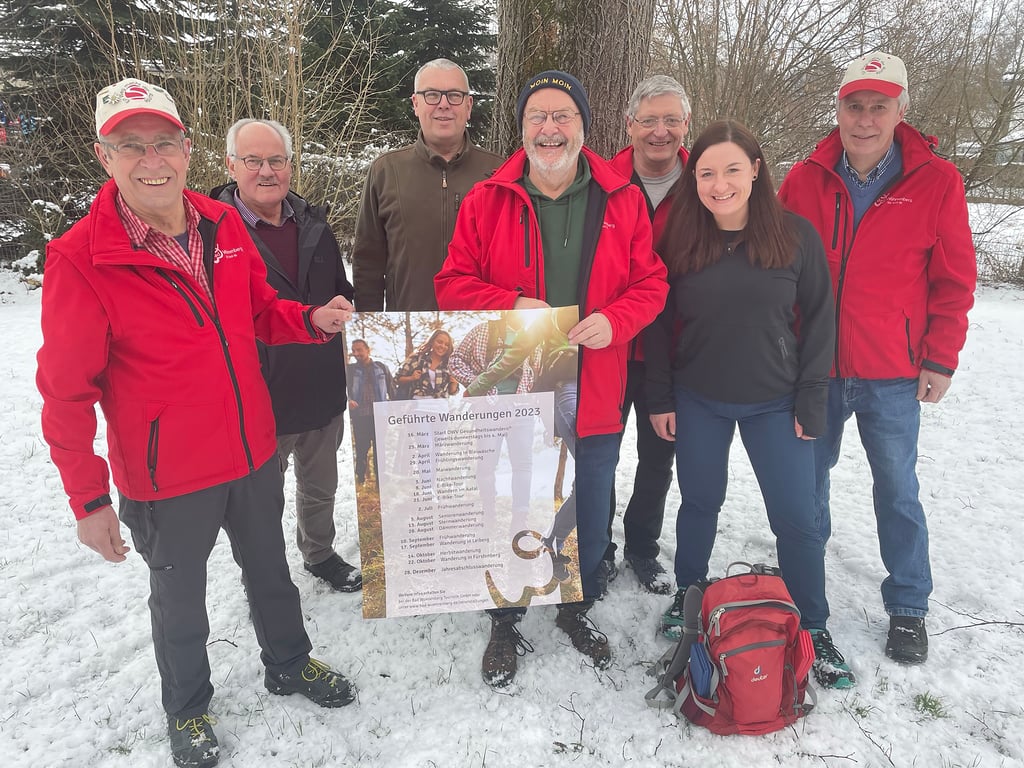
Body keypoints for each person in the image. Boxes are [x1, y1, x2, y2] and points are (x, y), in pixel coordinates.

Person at [36, 78, 358, 768]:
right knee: (179, 599)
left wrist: (310, 320)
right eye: (131, 146)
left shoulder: (222, 222)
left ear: (186, 149)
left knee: (270, 571)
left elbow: (262, 310)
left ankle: (289, 662)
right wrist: (88, 500)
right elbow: (65, 394)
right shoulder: (80, 258)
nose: (151, 159)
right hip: (166, 473)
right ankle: (187, 708)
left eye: (163, 143)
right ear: (105, 156)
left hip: (250, 451)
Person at [435, 70, 668, 687]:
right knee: (512, 499)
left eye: (563, 114)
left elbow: (652, 284)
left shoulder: (621, 198)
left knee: (588, 506)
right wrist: (512, 302)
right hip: (513, 396)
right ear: (522, 128)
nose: (549, 127)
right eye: (537, 115)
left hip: (592, 390)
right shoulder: (488, 198)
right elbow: (451, 283)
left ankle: (574, 604)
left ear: (584, 126)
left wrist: (615, 321)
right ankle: (505, 617)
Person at [778, 52, 977, 665]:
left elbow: (954, 279)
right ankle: (804, 592)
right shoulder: (805, 178)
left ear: (901, 109)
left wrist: (940, 357)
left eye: (879, 106)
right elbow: (776, 271)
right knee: (806, 485)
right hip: (816, 368)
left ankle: (909, 604)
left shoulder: (937, 180)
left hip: (893, 369)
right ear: (837, 107)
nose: (864, 120)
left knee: (897, 489)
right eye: (854, 105)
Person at [646, 119, 855, 690]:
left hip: (776, 402)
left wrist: (812, 398)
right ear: (695, 179)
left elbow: (819, 321)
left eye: (732, 170)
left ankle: (813, 625)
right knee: (700, 503)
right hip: (699, 399)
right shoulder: (682, 239)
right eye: (707, 173)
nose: (719, 184)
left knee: (796, 518)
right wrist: (661, 397)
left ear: (756, 171)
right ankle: (688, 599)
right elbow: (659, 325)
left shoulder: (795, 236)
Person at [212, 118, 361, 593]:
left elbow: (339, 289)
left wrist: (344, 303)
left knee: (319, 488)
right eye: (253, 161)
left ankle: (319, 554)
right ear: (231, 165)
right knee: (260, 500)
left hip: (320, 387)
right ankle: (265, 572)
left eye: (276, 160)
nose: (266, 171)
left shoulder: (315, 223)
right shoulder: (210, 233)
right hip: (256, 394)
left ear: (290, 167)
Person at [605, 74, 691, 594]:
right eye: (649, 120)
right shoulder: (600, 179)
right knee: (599, 454)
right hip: (610, 345)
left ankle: (641, 545)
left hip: (677, 349)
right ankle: (596, 545)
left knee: (659, 456)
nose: (660, 131)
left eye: (671, 120)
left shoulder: (707, 180)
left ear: (686, 126)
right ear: (630, 124)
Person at [352, 58, 503, 311]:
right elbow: (368, 263)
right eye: (432, 95)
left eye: (454, 95)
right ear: (416, 103)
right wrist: (371, 327)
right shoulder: (386, 171)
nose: (443, 105)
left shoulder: (499, 173)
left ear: (468, 106)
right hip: (408, 330)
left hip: (483, 330)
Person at [347, 339, 395, 485]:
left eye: (359, 350)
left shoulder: (382, 368)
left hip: (380, 415)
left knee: (380, 449)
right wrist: (348, 400)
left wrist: (396, 408)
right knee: (361, 449)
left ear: (368, 350)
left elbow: (392, 390)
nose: (356, 353)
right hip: (360, 416)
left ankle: (381, 484)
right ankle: (360, 481)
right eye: (354, 350)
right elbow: (343, 390)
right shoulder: (350, 370)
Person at [394, 329, 460, 399]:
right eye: (439, 342)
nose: (442, 346)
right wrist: (411, 378)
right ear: (432, 342)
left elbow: (453, 392)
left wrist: (454, 383)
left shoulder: (450, 365)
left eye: (446, 344)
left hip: (441, 407)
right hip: (417, 405)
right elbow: (397, 380)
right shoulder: (417, 359)